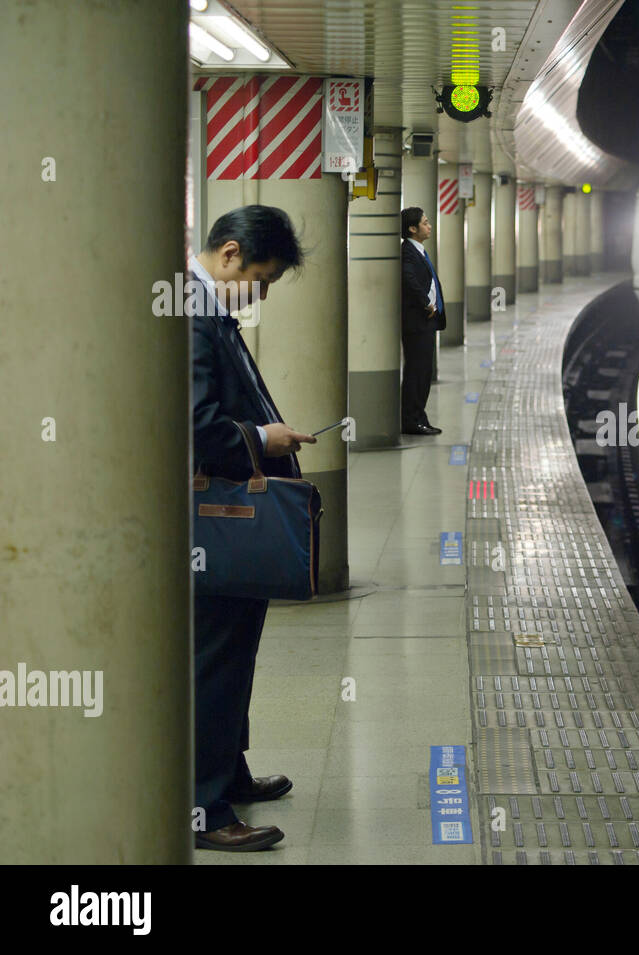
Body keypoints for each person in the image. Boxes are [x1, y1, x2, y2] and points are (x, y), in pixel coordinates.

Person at [190, 205, 315, 851]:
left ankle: (228, 771)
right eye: (261, 279)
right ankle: (205, 808)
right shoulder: (189, 310)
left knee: (235, 652)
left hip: (228, 515)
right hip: (210, 520)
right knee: (215, 658)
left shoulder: (209, 307)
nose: (262, 294)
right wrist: (265, 437)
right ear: (231, 254)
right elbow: (195, 422)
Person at [400, 207, 445, 435]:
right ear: (412, 228)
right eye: (425, 223)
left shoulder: (418, 250)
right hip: (417, 323)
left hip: (425, 323)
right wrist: (425, 303)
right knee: (416, 372)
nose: (429, 226)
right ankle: (411, 420)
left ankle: (420, 416)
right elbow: (408, 278)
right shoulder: (408, 251)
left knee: (423, 371)